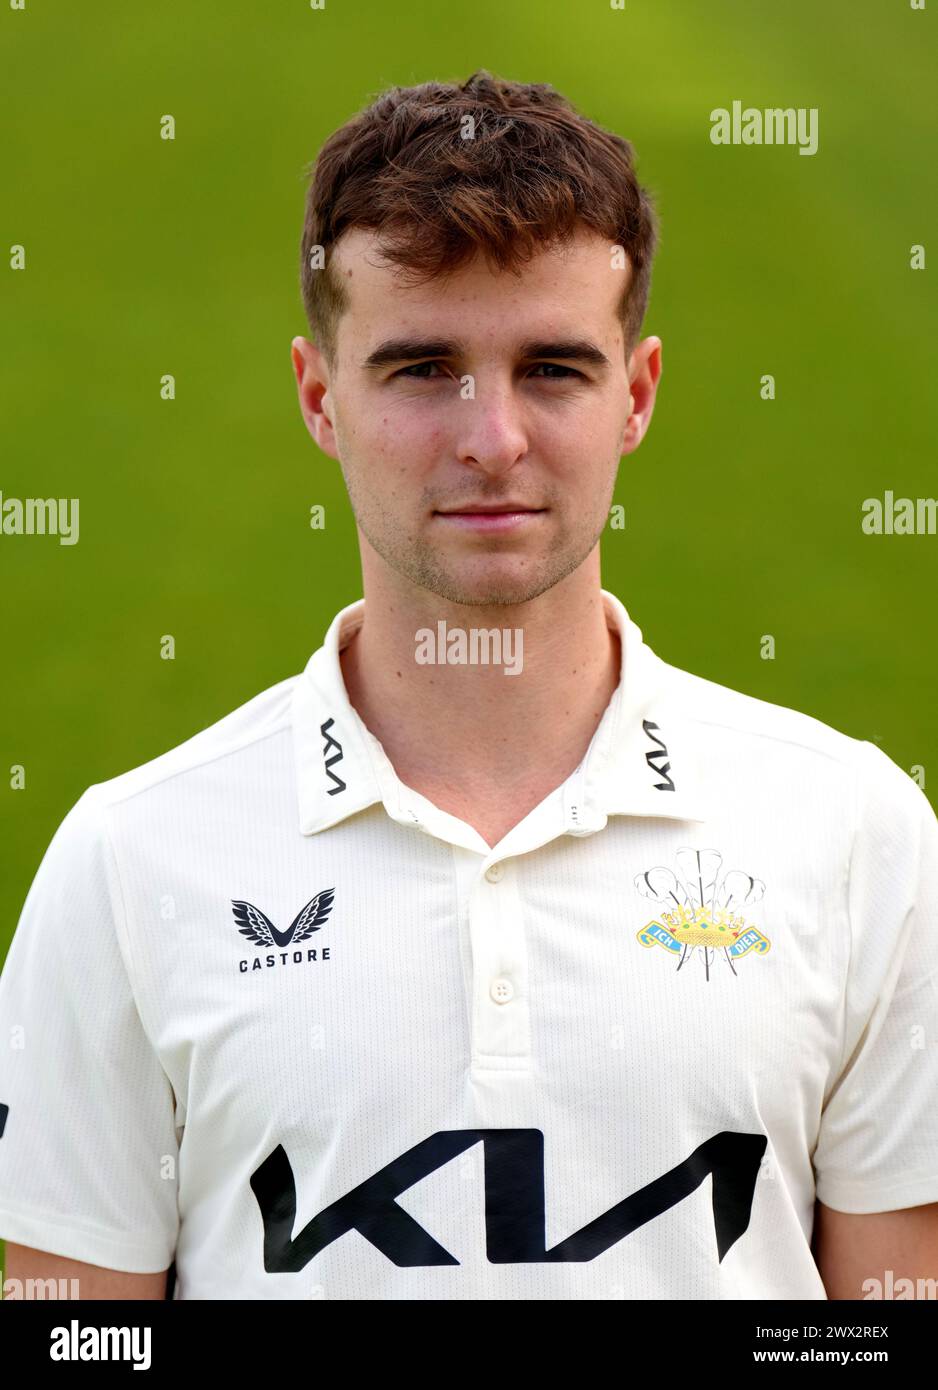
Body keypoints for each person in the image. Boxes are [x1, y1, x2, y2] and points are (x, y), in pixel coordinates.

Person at [1, 72, 936, 1302]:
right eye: (419, 368)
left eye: (551, 369)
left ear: (636, 394)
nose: (490, 438)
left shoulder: (852, 831)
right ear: (319, 396)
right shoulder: (131, 862)